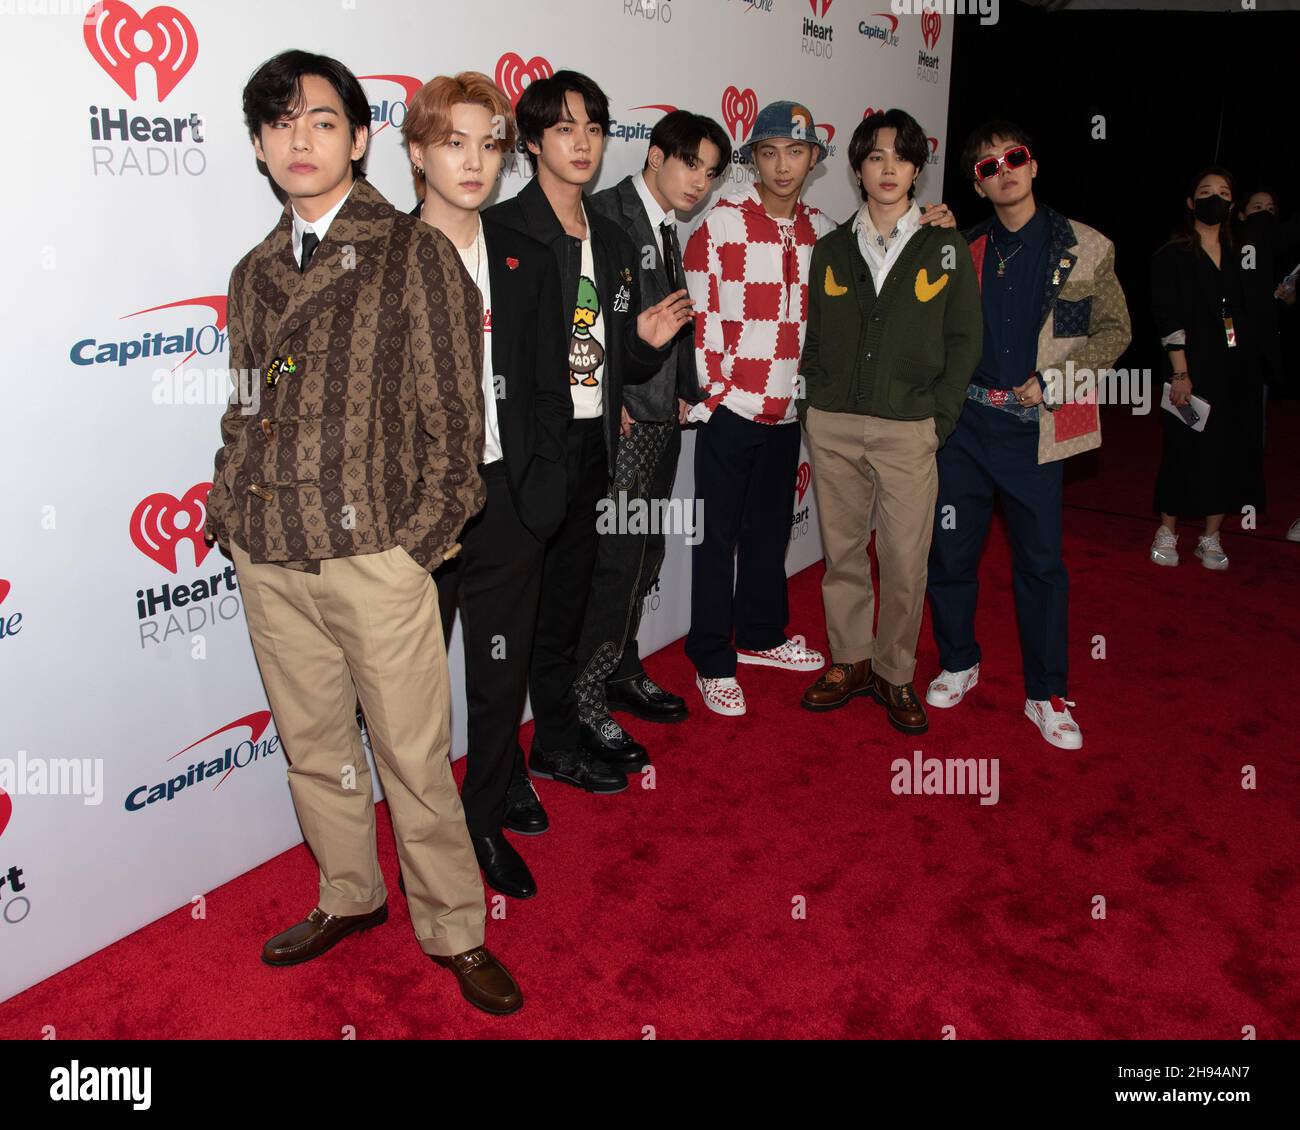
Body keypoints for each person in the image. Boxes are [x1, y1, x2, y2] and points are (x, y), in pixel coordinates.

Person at [203, 51, 521, 1014]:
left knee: (415, 759)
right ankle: (349, 894)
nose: (301, 139)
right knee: (314, 746)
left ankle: (457, 930)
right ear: (260, 146)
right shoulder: (253, 272)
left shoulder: (412, 250)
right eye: (281, 123)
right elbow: (245, 406)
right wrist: (231, 509)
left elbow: (455, 427)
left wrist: (412, 547)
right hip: (270, 549)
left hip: (377, 556)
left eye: (323, 121)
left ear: (362, 136)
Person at [483, 71, 692, 794]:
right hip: (526, 458)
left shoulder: (607, 233)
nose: (582, 143)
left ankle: (558, 744)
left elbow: (603, 358)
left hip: (592, 450)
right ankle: (500, 772)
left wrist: (644, 341)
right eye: (565, 128)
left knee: (568, 613)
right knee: (514, 623)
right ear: (534, 140)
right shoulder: (503, 229)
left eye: (594, 129)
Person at [403, 72, 570, 900]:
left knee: (499, 676)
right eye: (452, 143)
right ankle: (425, 837)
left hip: (508, 501)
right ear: (416, 153)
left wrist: (541, 498)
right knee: (412, 691)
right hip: (411, 517)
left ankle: (483, 815)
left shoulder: (528, 257)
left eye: (489, 143)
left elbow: (549, 389)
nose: (474, 162)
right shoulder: (378, 261)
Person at [925, 120, 1131, 751]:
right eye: (987, 167)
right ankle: (959, 660)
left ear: (1033, 165)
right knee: (952, 553)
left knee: (1040, 566)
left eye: (1013, 158)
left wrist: (1058, 379)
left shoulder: (1088, 247)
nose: (1003, 171)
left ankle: (1047, 693)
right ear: (979, 187)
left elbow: (1114, 334)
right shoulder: (963, 247)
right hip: (965, 427)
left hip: (1038, 433)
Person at [798, 109, 982, 734]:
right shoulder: (829, 248)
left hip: (911, 430)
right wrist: (814, 404)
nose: (888, 169)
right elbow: (815, 338)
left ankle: (893, 670)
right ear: (857, 168)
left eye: (901, 158)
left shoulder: (945, 246)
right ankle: (849, 660)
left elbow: (964, 342)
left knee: (905, 559)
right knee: (843, 553)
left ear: (916, 171)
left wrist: (939, 420)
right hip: (834, 424)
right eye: (875, 157)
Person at [573, 110, 731, 762]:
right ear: (656, 155)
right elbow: (580, 318)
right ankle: (582, 702)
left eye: (711, 173)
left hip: (662, 419)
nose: (699, 182)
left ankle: (622, 666)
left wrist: (688, 392)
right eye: (690, 163)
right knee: (612, 564)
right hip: (623, 424)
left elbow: (662, 325)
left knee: (643, 558)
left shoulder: (667, 227)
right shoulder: (605, 215)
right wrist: (609, 402)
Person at [679, 100, 834, 717]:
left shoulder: (823, 229)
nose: (782, 165)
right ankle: (712, 657)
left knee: (768, 534)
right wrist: (714, 398)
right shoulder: (719, 224)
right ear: (753, 159)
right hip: (732, 411)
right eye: (768, 153)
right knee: (715, 540)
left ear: (813, 159)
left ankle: (763, 637)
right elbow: (699, 317)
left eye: (795, 152)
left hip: (789, 413)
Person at [1150, 167, 1265, 572]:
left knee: (1227, 452)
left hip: (1234, 368)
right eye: (1205, 191)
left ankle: (1210, 537)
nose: (1214, 198)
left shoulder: (1242, 255)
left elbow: (1248, 313)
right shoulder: (1174, 254)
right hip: (1190, 366)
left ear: (1233, 204)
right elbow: (1167, 317)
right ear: (1190, 202)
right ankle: (1167, 530)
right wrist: (1180, 372)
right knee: (1183, 448)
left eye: (1223, 192)